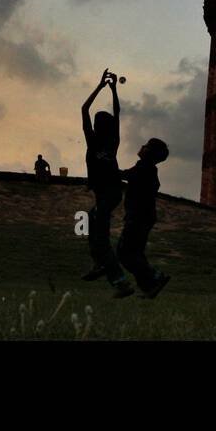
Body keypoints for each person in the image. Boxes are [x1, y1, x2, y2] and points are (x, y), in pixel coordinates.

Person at [80, 68, 132, 295]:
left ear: (98, 126)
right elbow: (116, 113)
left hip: (109, 193)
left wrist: (105, 87)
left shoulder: (104, 141)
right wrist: (108, 88)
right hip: (106, 194)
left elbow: (85, 109)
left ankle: (120, 281)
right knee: (92, 226)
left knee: (100, 238)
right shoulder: (109, 141)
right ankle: (99, 264)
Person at [116, 138, 172, 299]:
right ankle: (149, 287)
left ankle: (155, 277)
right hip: (143, 216)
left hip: (138, 216)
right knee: (135, 253)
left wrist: (108, 169)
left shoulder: (144, 168)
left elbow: (126, 175)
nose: (141, 147)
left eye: (145, 146)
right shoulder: (147, 169)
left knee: (125, 252)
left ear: (149, 152)